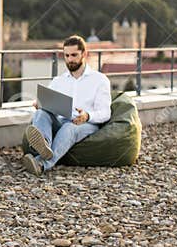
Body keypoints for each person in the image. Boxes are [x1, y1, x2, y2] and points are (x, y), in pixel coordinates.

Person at [22, 35, 112, 175]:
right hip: (62, 119)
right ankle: (44, 144)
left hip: (86, 124)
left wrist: (87, 116)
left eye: (74, 55)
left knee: (70, 127)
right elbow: (48, 102)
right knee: (41, 113)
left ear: (84, 54)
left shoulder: (100, 80)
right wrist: (40, 103)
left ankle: (41, 164)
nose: (70, 59)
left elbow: (105, 113)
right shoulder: (59, 80)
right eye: (67, 55)